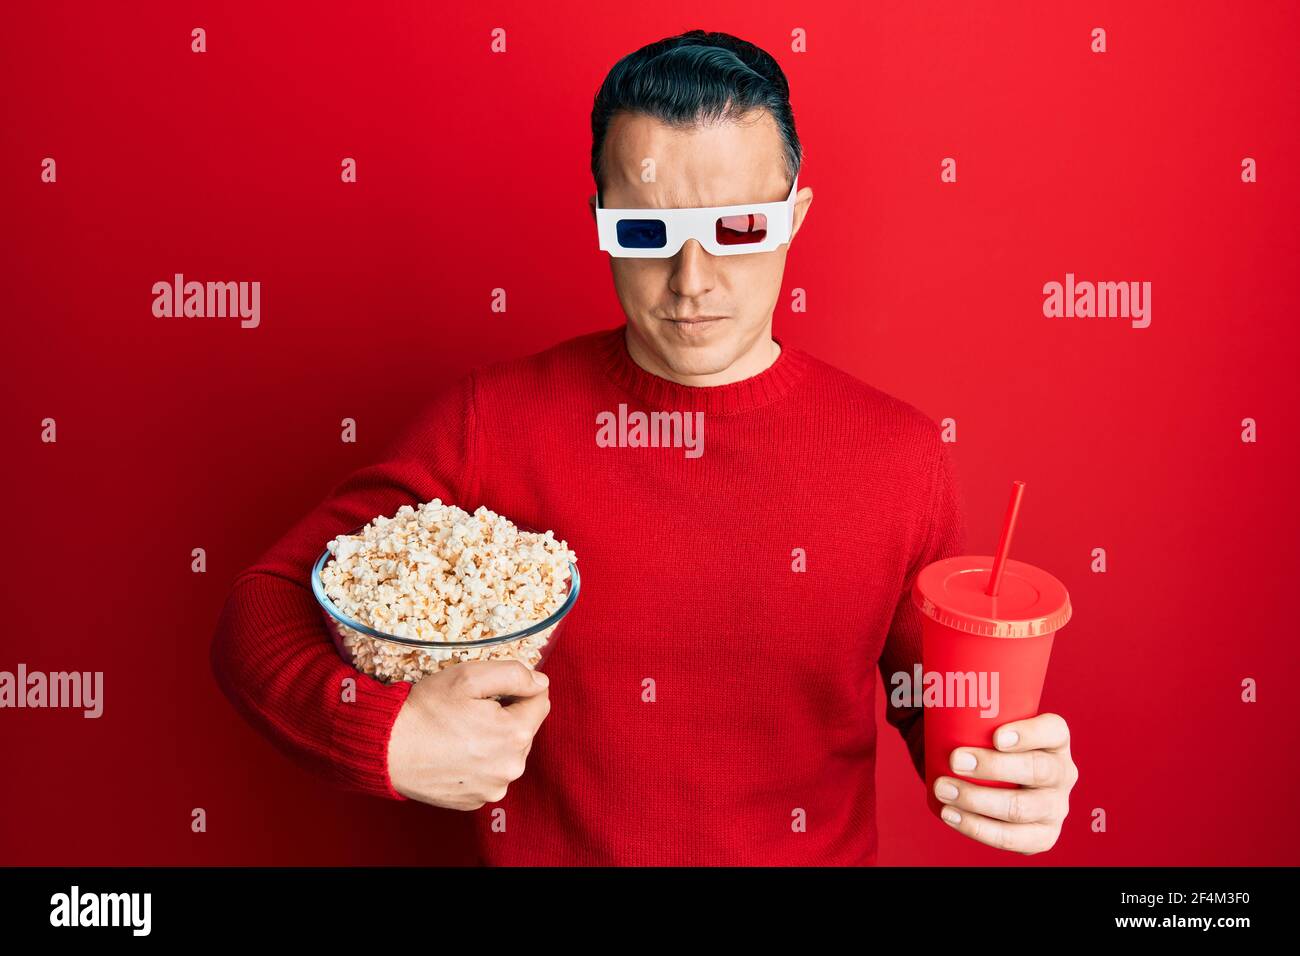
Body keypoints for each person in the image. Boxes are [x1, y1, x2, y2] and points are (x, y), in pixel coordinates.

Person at [210, 28, 1078, 865]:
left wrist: (1006, 773)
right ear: (599, 219)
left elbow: (929, 705)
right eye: (645, 231)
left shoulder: (902, 456)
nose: (692, 280)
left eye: (738, 229)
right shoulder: (494, 426)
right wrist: (380, 732)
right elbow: (264, 604)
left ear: (794, 216)